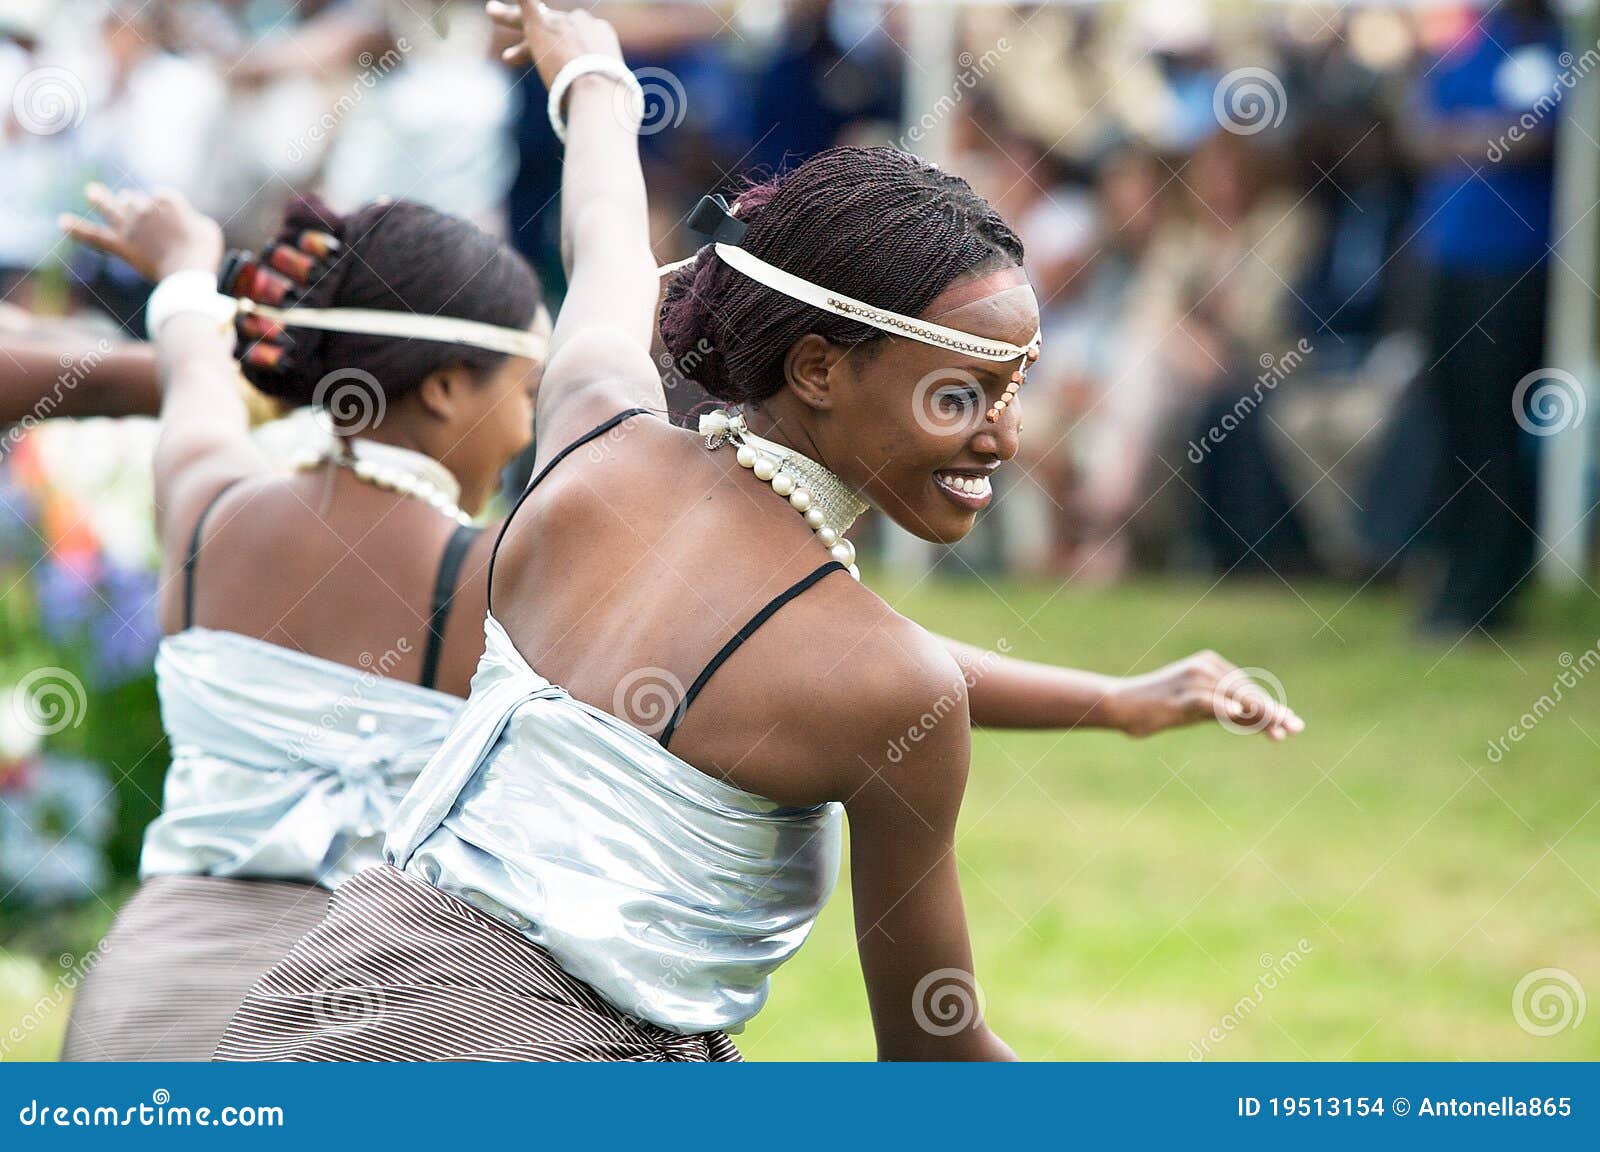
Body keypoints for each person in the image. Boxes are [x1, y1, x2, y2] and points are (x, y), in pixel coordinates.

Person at [215, 0, 1302, 1063]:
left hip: (307, 1025)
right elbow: (934, 1053)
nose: (1003, 439)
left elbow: (602, 242)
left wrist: (588, 74)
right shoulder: (890, 688)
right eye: (962, 394)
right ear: (820, 368)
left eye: (1014, 388)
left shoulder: (593, 430)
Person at [50, 184, 548, 1060]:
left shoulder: (208, 498)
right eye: (527, 390)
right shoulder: (491, 576)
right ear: (441, 387)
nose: (527, 426)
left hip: (144, 1003)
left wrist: (183, 268)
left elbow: (194, 367)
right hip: (360, 1013)